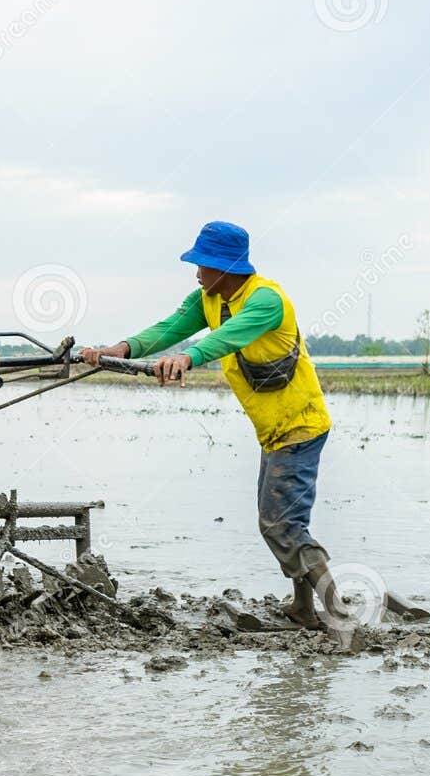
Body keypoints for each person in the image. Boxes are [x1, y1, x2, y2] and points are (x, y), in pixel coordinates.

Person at [80, 220, 349, 632]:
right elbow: (169, 329)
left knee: (280, 524)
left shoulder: (267, 301)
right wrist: (122, 348)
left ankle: (341, 616)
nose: (197, 272)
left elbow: (226, 338)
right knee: (280, 522)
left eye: (202, 264)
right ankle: (303, 610)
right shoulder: (206, 299)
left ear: (226, 267)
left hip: (301, 428)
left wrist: (187, 358)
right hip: (274, 431)